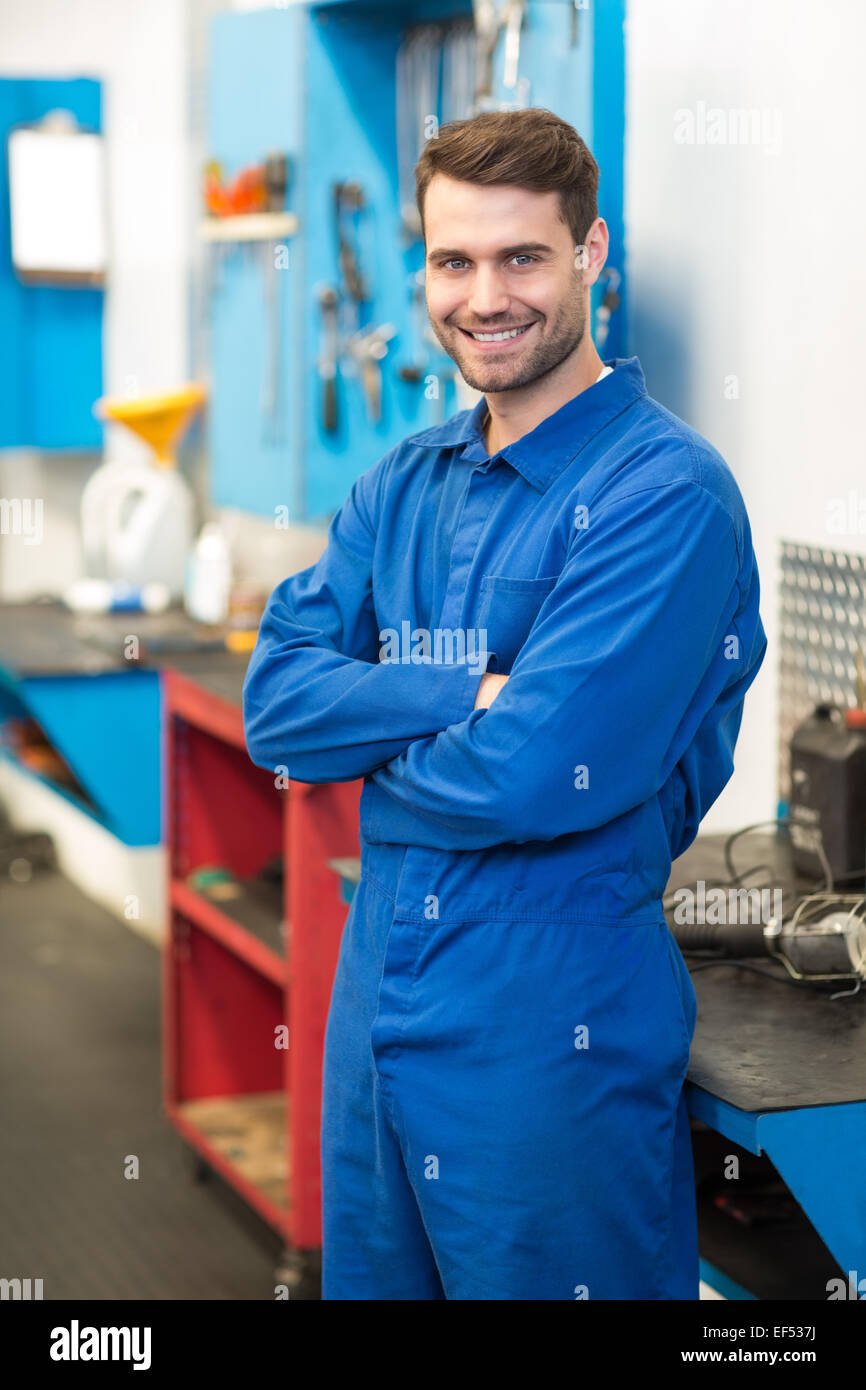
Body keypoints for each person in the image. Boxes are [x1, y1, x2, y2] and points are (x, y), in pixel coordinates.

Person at [243, 107, 767, 1300]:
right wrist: (464, 692)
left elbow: (534, 769)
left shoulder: (663, 495)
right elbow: (275, 702)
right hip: (374, 1003)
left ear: (591, 256)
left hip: (548, 1028)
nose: (484, 296)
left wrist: (367, 736)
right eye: (452, 260)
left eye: (522, 256)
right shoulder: (403, 481)